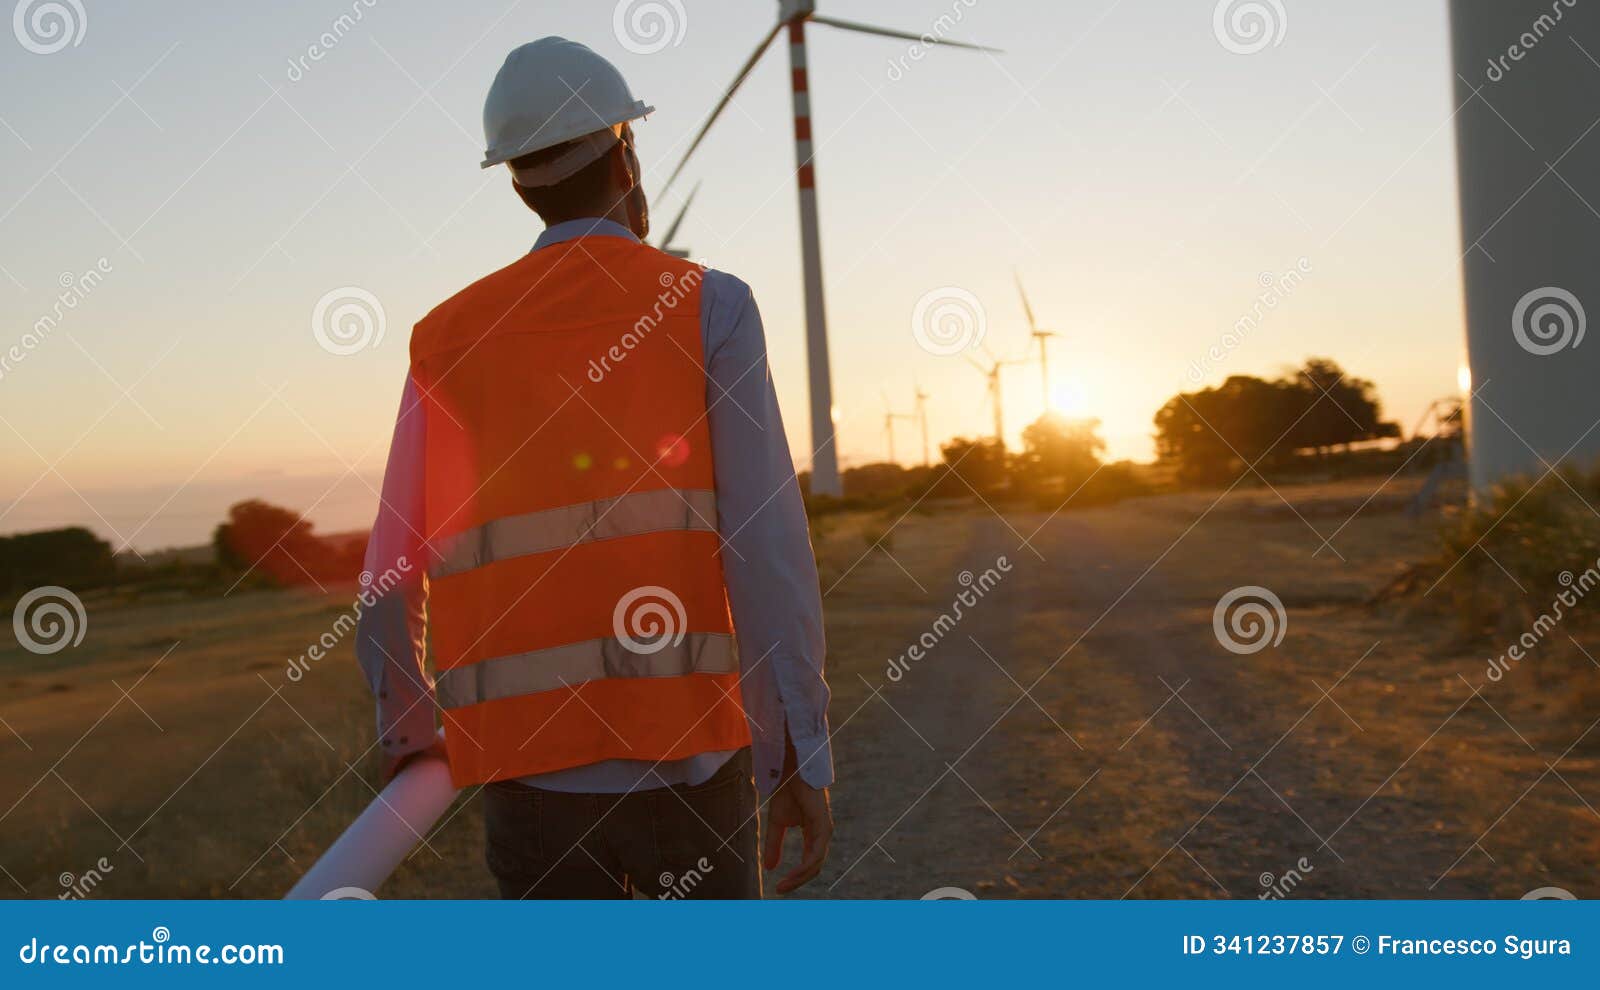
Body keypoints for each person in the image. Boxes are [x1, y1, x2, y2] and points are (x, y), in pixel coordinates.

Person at [353, 38, 832, 899]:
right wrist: (795, 754)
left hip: (528, 783)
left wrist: (409, 731)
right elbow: (768, 553)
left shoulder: (447, 336)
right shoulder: (709, 304)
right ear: (628, 153)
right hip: (693, 766)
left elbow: (390, 567)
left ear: (516, 181)